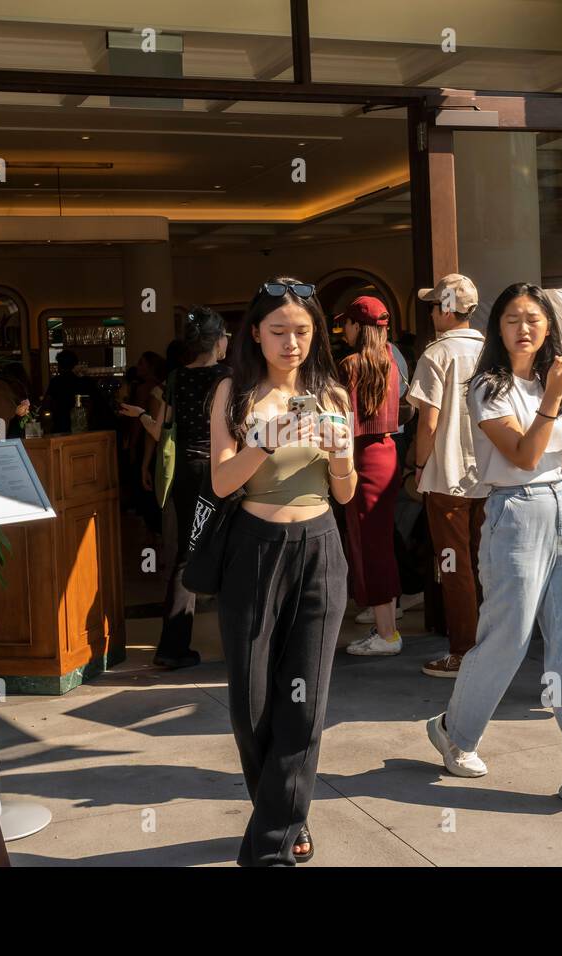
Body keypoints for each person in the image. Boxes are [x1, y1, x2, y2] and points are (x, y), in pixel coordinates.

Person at [424, 282, 562, 816]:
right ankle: (455, 730)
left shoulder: (559, 390)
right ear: (498, 330)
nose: (524, 328)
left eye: (533, 319)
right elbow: (523, 458)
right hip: (515, 512)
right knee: (508, 638)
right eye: (512, 320)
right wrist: (550, 399)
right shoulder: (488, 388)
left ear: (547, 327)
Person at [208, 276, 355, 865]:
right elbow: (221, 481)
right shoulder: (233, 393)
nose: (291, 343)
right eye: (278, 332)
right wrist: (265, 441)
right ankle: (284, 811)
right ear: (255, 333)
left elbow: (344, 495)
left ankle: (271, 843)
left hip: (320, 546)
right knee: (251, 702)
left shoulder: (335, 396)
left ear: (315, 333)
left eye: (302, 331)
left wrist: (342, 456)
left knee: (306, 704)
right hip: (253, 548)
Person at [118, 307, 229, 669]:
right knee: (232, 551)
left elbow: (162, 432)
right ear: (217, 342)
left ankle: (172, 647)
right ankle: (240, 645)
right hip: (220, 472)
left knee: (186, 555)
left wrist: (142, 417)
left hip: (185, 473)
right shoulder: (228, 378)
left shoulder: (177, 379)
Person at [407, 274, 487, 678]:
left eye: (435, 305)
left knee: (455, 567)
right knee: (487, 562)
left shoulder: (435, 355)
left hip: (447, 477)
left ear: (447, 309)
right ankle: (493, 650)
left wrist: (420, 466)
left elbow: (429, 422)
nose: (432, 312)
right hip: (493, 474)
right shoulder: (494, 350)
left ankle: (462, 651)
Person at [336, 296, 404, 656]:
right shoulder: (390, 361)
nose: (342, 330)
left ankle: (387, 634)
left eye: (345, 323)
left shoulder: (350, 365)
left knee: (370, 547)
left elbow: (343, 424)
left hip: (361, 458)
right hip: (389, 453)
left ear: (357, 326)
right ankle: (386, 625)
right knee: (382, 545)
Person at [45, 349, 90, 435]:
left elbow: (47, 403)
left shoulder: (55, 382)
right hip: (78, 423)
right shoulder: (80, 382)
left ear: (59, 365)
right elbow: (88, 405)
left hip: (59, 424)